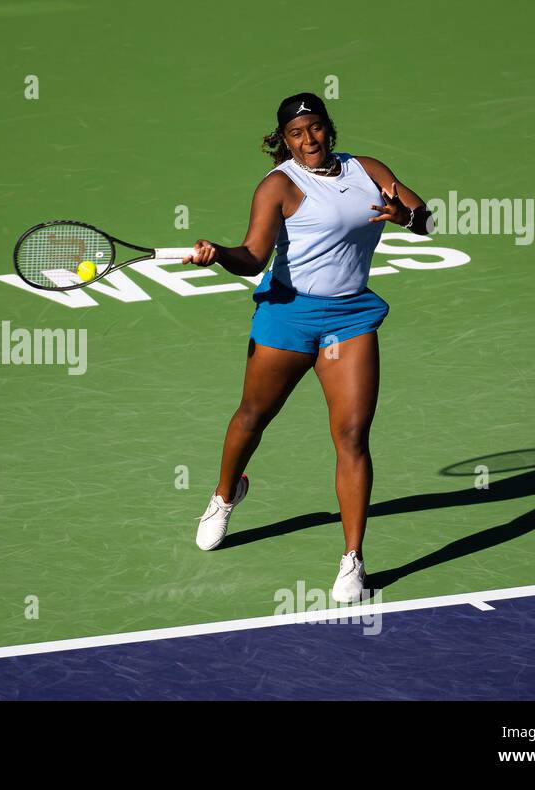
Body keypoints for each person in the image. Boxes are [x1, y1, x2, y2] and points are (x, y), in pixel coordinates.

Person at [182, 92, 434, 603]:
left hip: (350, 318)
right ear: (284, 141)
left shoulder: (367, 169)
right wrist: (218, 254)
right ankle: (226, 494)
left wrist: (403, 217)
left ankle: (352, 562)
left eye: (315, 128)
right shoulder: (278, 187)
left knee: (352, 435)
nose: (308, 140)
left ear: (329, 129)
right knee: (252, 415)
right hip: (288, 315)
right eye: (296, 134)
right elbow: (253, 257)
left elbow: (426, 219)